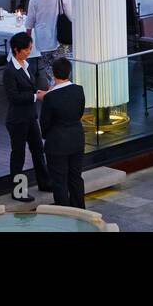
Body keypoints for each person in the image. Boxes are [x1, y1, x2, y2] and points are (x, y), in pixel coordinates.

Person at [2, 32, 51, 203]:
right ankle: (18, 191)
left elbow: (28, 89)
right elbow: (14, 97)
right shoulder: (10, 71)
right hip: (17, 120)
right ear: (17, 50)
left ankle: (44, 182)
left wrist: (38, 92)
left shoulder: (26, 65)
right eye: (27, 49)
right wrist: (36, 96)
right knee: (19, 155)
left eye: (30, 48)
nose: (29, 52)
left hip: (30, 117)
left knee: (38, 150)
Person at [39, 57, 86, 208]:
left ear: (54, 74)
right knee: (75, 178)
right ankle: (80, 211)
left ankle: (64, 215)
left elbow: (44, 123)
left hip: (57, 143)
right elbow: (79, 113)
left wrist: (48, 136)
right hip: (77, 140)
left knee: (59, 182)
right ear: (69, 72)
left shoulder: (50, 97)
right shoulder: (79, 90)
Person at [25, 0, 72, 87]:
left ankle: (52, 90)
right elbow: (71, 15)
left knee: (49, 72)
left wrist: (28, 39)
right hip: (60, 39)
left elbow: (30, 19)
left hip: (43, 40)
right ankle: (62, 91)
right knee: (62, 72)